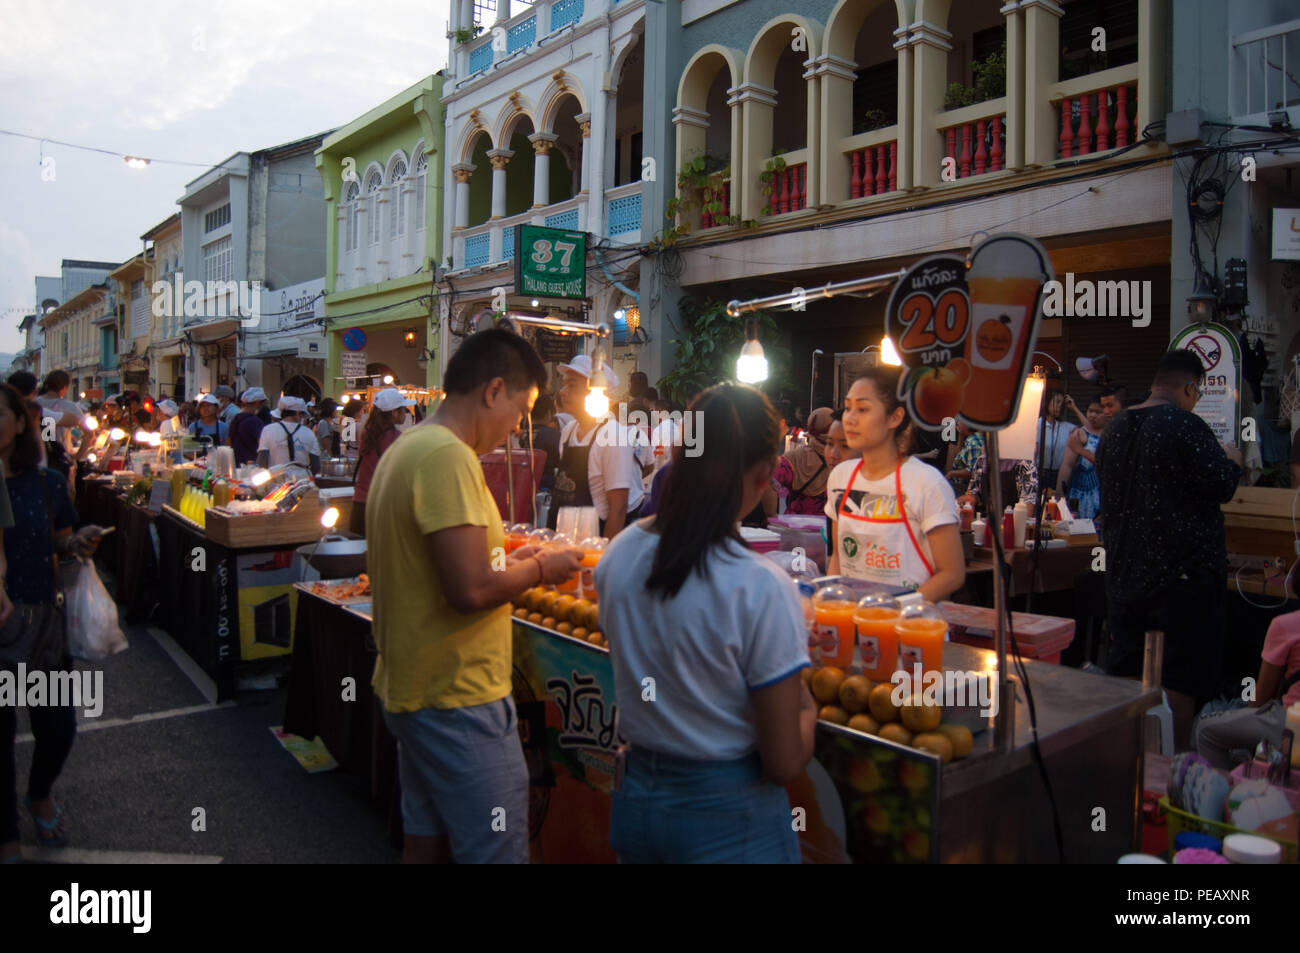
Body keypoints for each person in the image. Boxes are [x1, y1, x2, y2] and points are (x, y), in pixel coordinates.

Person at [366, 329, 582, 863]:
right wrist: (540, 571)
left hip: (414, 691)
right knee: (495, 850)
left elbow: (449, 566)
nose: (517, 427)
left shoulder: (408, 447)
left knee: (426, 841)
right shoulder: (448, 457)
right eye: (520, 409)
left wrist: (513, 562)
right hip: (457, 699)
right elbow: (470, 590)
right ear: (493, 390)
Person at [595, 382, 815, 863]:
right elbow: (782, 762)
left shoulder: (617, 557)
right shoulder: (763, 589)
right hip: (729, 823)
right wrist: (806, 709)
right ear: (763, 477)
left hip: (639, 806)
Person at [1096, 350, 1243, 748]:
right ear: (1191, 387)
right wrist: (1232, 460)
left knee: (1128, 672)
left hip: (1125, 574)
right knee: (1179, 679)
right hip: (1182, 581)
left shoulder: (1115, 428)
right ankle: (1170, 771)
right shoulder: (1186, 425)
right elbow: (1221, 485)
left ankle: (1128, 765)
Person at [0, 383, 103, 863]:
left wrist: (77, 540)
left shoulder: (43, 483)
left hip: (41, 621)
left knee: (58, 728)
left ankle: (38, 792)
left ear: (20, 422)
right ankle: (6, 832)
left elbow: (61, 539)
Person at [827, 366, 965, 601]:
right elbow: (839, 558)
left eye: (862, 409)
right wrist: (832, 603)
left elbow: (952, 573)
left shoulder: (926, 483)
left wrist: (893, 612)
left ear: (895, 417)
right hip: (853, 622)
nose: (849, 419)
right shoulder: (840, 477)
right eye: (848, 408)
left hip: (911, 627)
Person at [1194, 609, 1300, 769]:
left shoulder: (1286, 625)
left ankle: (1230, 791)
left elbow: (1261, 698)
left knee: (1205, 731)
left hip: (1292, 725)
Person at [553, 355, 644, 539]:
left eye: (572, 385)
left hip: (594, 542)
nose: (562, 392)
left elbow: (618, 510)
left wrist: (602, 563)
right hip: (566, 540)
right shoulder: (569, 431)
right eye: (564, 384)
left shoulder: (612, 436)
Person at [351, 388, 414, 536]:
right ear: (394, 413)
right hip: (383, 505)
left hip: (360, 503)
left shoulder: (366, 432)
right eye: (404, 409)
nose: (406, 413)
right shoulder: (396, 438)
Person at [771, 407, 833, 516]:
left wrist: (770, 514)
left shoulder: (794, 457)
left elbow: (769, 478)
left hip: (795, 525)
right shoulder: (842, 457)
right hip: (829, 527)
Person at [1056, 397, 1106, 519]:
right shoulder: (1079, 434)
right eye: (1090, 411)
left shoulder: (1111, 434)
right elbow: (1066, 466)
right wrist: (1059, 496)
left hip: (1104, 494)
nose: (1093, 415)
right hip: (1080, 496)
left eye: (1098, 412)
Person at [257, 397, 321, 472]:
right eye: (302, 414)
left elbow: (262, 460)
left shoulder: (268, 430)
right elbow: (316, 465)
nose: (302, 417)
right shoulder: (308, 433)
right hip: (302, 480)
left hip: (276, 479)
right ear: (297, 413)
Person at [1040, 392, 1083, 493]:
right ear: (1047, 402)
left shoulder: (1066, 427)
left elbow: (1089, 431)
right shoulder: (1038, 425)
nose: (1059, 406)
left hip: (1060, 475)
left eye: (1062, 404)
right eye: (1057, 402)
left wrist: (1074, 408)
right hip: (1040, 474)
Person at [528, 394, 562, 496]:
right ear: (548, 414)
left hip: (525, 483)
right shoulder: (553, 434)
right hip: (546, 486)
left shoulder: (520, 433)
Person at [229, 388, 268, 465]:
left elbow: (229, 442)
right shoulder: (256, 422)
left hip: (235, 464)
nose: (263, 406)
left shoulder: (235, 419)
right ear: (257, 403)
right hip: (250, 465)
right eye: (262, 403)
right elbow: (263, 445)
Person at [944, 421, 984, 498]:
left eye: (961, 421)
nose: (957, 422)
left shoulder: (974, 443)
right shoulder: (969, 439)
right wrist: (960, 436)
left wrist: (951, 473)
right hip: (959, 485)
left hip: (964, 488)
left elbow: (973, 471)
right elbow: (958, 458)